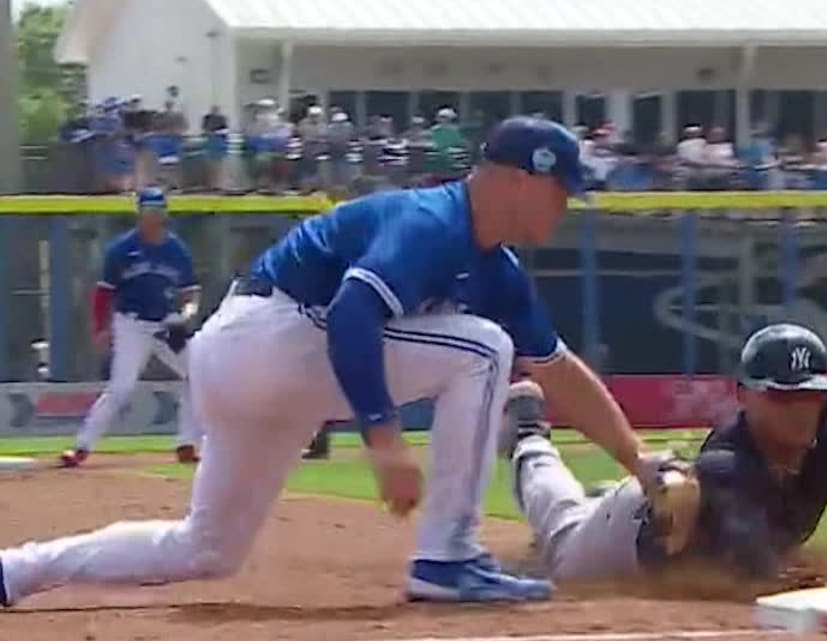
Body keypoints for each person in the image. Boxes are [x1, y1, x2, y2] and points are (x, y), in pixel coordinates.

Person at [0, 117, 676, 608]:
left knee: (205, 550)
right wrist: (383, 438)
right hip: (269, 338)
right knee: (483, 347)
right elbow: (354, 311)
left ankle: (19, 568)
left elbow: (558, 370)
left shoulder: (496, 268)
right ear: (518, 180)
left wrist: (637, 461)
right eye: (560, 189)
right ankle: (449, 555)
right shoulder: (432, 222)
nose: (566, 205)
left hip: (251, 363)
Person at [506, 322, 827, 587]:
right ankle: (528, 435)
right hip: (621, 535)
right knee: (560, 528)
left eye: (811, 396)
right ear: (746, 396)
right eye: (783, 397)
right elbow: (752, 568)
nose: (801, 410)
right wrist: (779, 582)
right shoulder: (727, 462)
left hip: (664, 502)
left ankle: (591, 487)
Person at [61, 187, 204, 467]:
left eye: (158, 211)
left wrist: (184, 316)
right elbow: (104, 292)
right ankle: (82, 446)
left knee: (197, 376)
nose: (154, 216)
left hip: (165, 324)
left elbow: (191, 293)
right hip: (131, 324)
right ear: (139, 214)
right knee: (121, 388)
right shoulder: (122, 249)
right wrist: (100, 327)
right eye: (149, 211)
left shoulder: (176, 250)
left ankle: (187, 443)